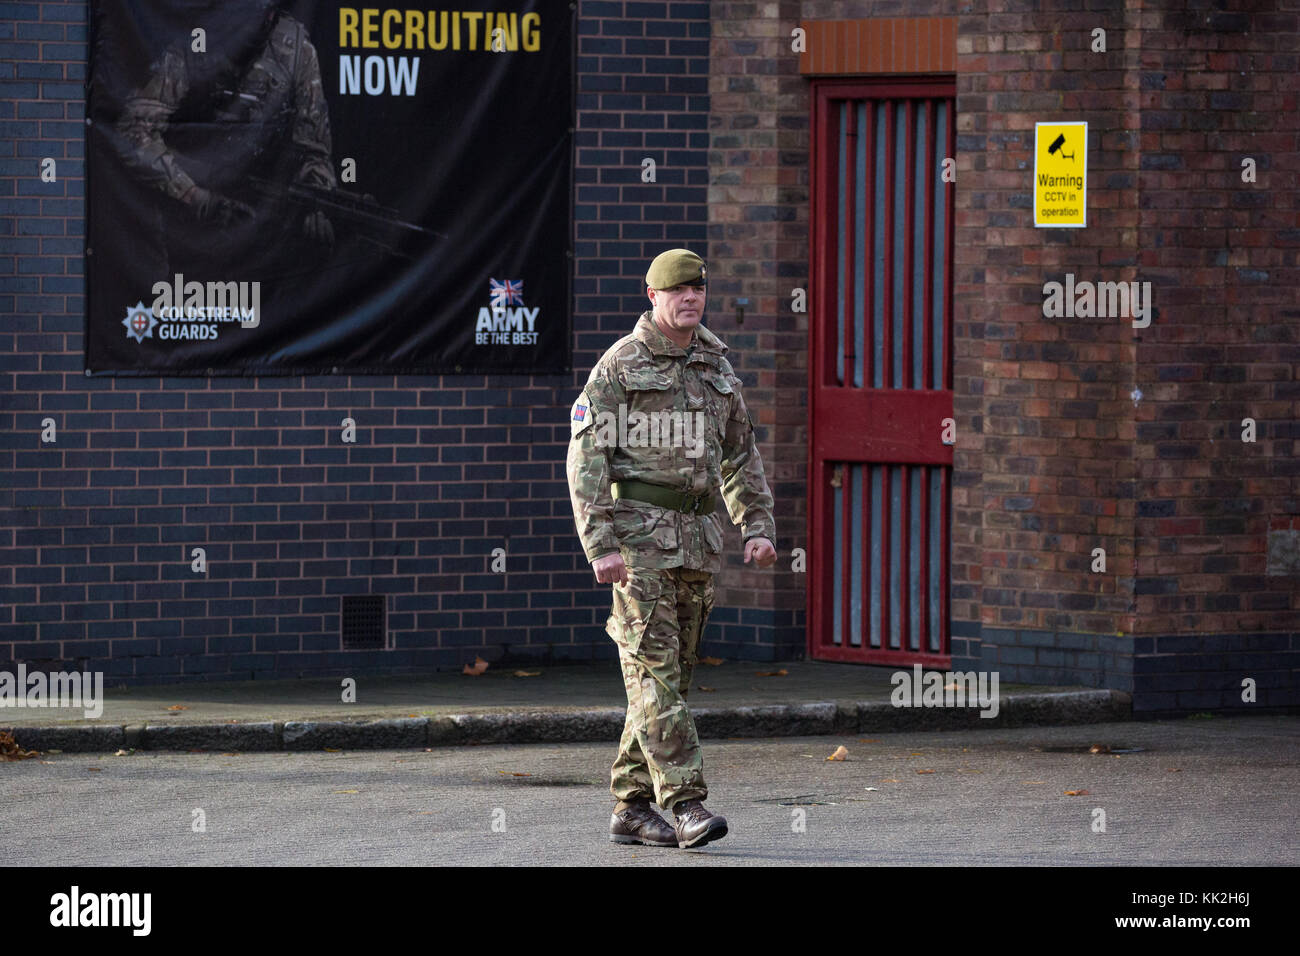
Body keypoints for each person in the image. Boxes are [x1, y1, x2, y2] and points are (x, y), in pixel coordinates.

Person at [566, 248, 778, 849]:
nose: (690, 298)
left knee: (667, 679)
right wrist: (600, 545)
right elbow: (586, 457)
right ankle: (685, 804)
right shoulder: (620, 365)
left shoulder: (715, 364)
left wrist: (756, 525)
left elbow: (740, 453)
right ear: (652, 296)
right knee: (655, 673)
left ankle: (631, 806)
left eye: (698, 289)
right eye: (677, 290)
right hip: (638, 545)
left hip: (698, 543)